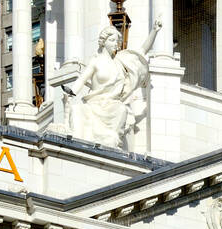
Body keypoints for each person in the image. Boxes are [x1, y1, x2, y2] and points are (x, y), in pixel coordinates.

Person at [67, 17, 161, 149]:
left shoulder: (121, 62)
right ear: (103, 42)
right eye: (111, 40)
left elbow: (141, 51)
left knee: (122, 109)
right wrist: (71, 92)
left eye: (116, 41)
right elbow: (82, 79)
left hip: (112, 104)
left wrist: (154, 31)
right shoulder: (96, 61)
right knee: (77, 109)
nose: (115, 44)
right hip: (94, 103)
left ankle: (112, 141)